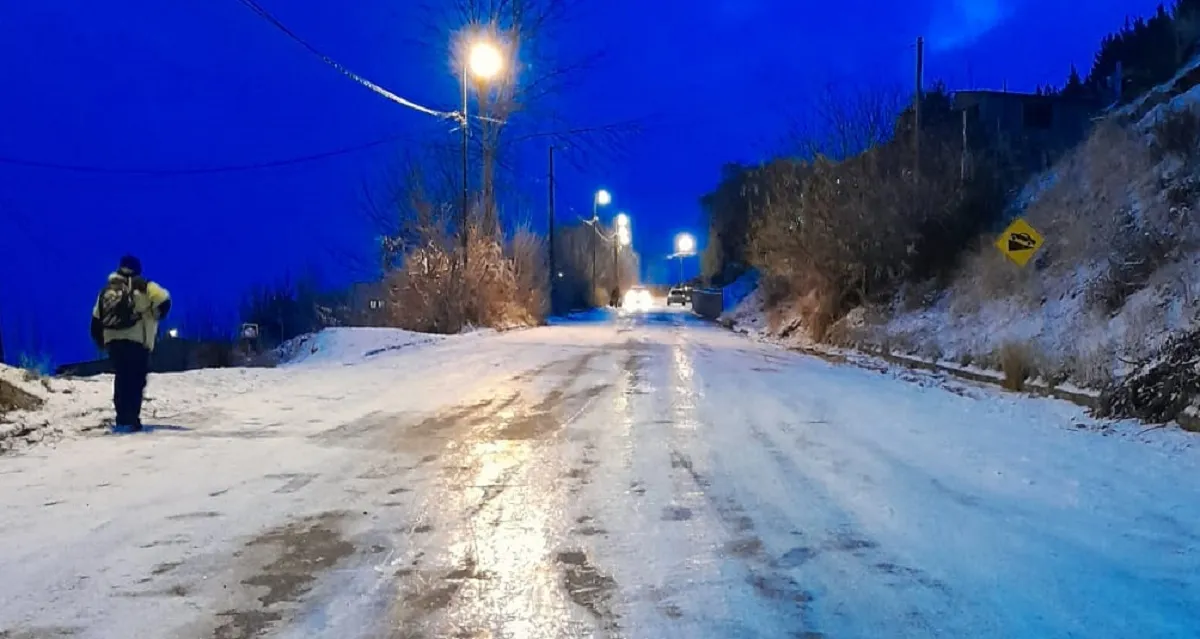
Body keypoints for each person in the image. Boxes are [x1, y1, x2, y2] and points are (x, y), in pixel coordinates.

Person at [90, 255, 171, 432]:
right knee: (136, 379)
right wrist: (156, 314)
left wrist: (102, 342)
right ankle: (132, 419)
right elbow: (164, 299)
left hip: (113, 341)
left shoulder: (108, 290)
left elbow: (96, 320)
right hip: (137, 340)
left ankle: (122, 418)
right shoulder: (144, 285)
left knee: (121, 377)